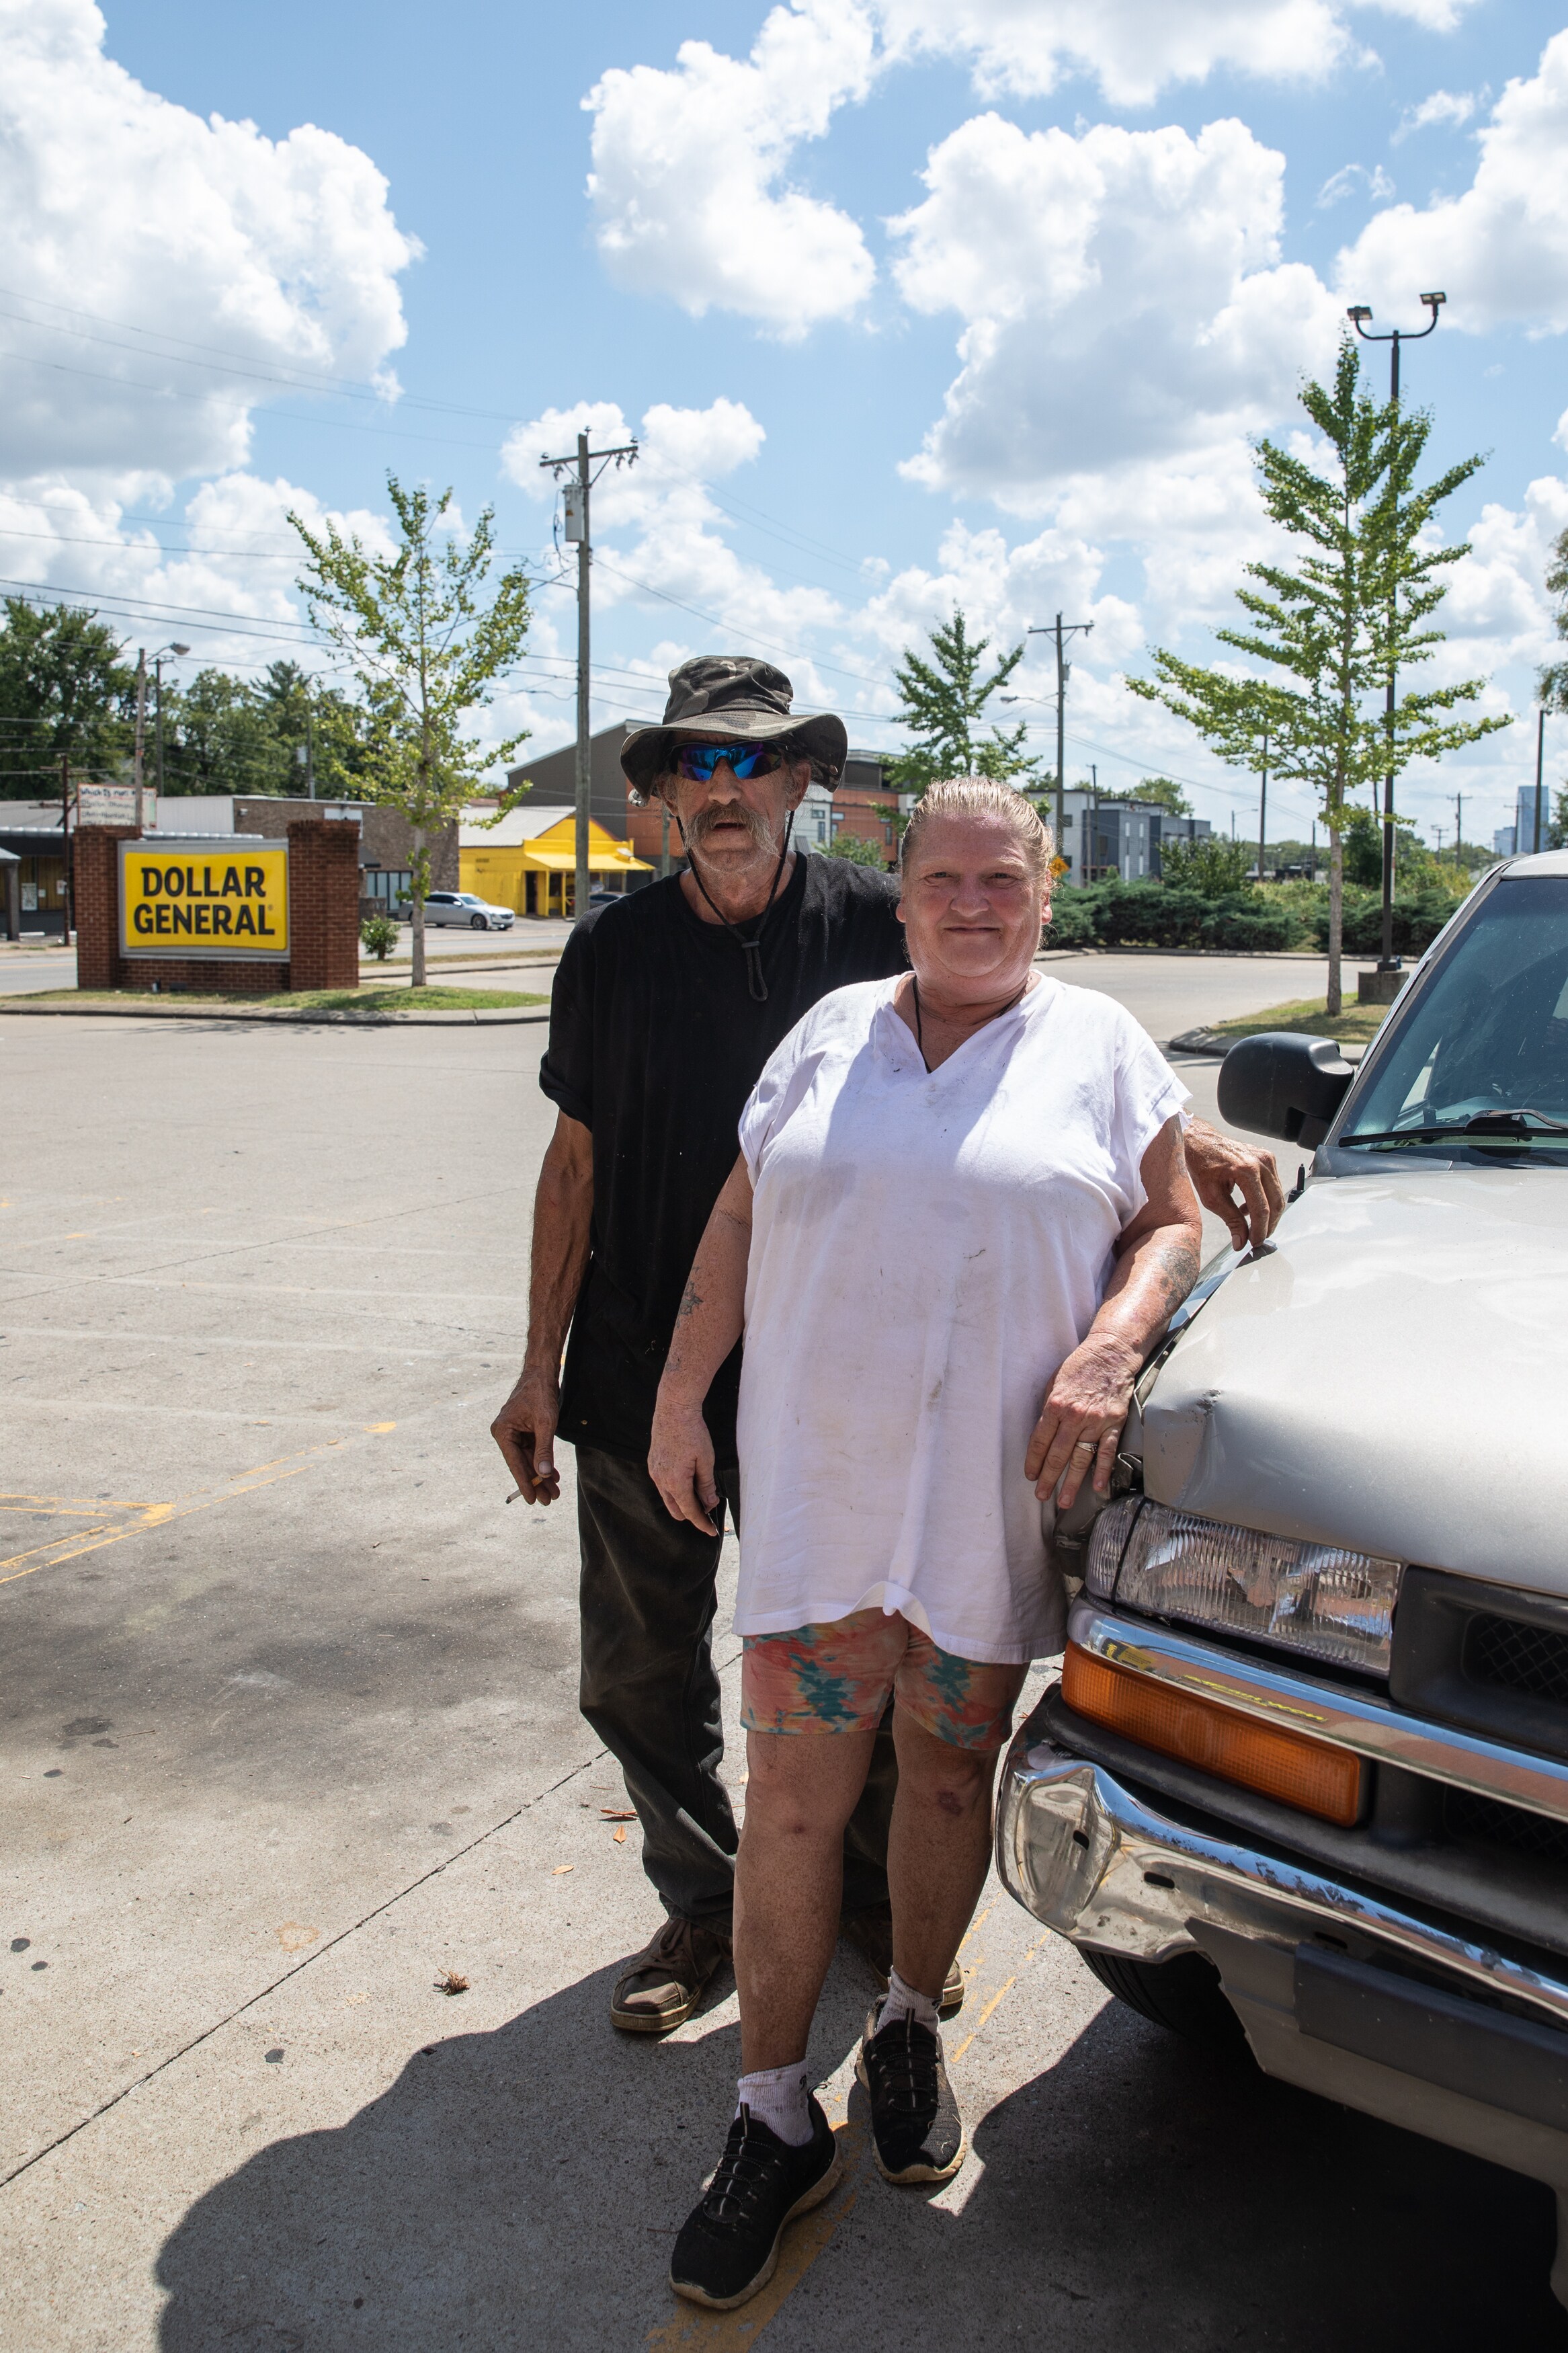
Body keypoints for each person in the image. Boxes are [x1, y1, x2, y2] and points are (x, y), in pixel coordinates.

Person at [489, 657, 1282, 2040]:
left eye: (754, 765)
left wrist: (1179, 1131)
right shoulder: (609, 954)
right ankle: (702, 1900)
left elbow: (1015, 981)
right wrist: (535, 1365)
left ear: (802, 782)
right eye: (697, 766)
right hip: (645, 1361)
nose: (724, 792)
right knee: (637, 1662)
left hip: (851, 1372)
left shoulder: (875, 914)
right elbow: (574, 1165)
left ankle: (867, 1901)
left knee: (862, 1657)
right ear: (666, 792)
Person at [647, 779, 1204, 2311]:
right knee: (794, 1804)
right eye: (944, 879)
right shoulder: (829, 1030)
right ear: (898, 896)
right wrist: (683, 1392)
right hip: (821, 1482)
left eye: (1003, 880)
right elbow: (740, 1215)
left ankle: (904, 2018)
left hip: (981, 1490)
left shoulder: (1098, 1043)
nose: (974, 903)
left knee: (952, 1769)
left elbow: (1170, 1220)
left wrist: (1105, 1348)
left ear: (1046, 892)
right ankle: (771, 2112)